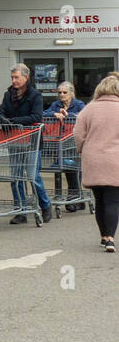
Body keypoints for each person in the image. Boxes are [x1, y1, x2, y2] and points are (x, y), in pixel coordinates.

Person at [0, 63, 52, 225]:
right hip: (15, 141)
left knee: (33, 176)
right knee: (16, 177)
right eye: (12, 78)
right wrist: (1, 119)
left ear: (26, 78)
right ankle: (21, 210)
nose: (14, 81)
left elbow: (36, 116)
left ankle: (45, 205)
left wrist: (13, 121)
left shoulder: (35, 95)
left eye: (16, 77)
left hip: (32, 141)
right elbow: (1, 111)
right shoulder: (8, 95)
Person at [73, 74, 119, 252]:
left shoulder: (89, 108)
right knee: (113, 201)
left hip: (93, 159)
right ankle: (111, 239)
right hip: (115, 160)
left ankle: (103, 236)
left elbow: (78, 133)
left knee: (99, 200)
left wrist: (82, 149)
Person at [44, 80, 86, 211]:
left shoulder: (78, 104)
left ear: (71, 93)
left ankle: (74, 199)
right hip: (60, 142)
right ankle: (76, 199)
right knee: (68, 169)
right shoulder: (55, 105)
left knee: (73, 168)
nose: (62, 95)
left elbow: (84, 116)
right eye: (60, 92)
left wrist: (70, 115)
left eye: (65, 92)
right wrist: (54, 114)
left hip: (73, 141)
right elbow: (43, 114)